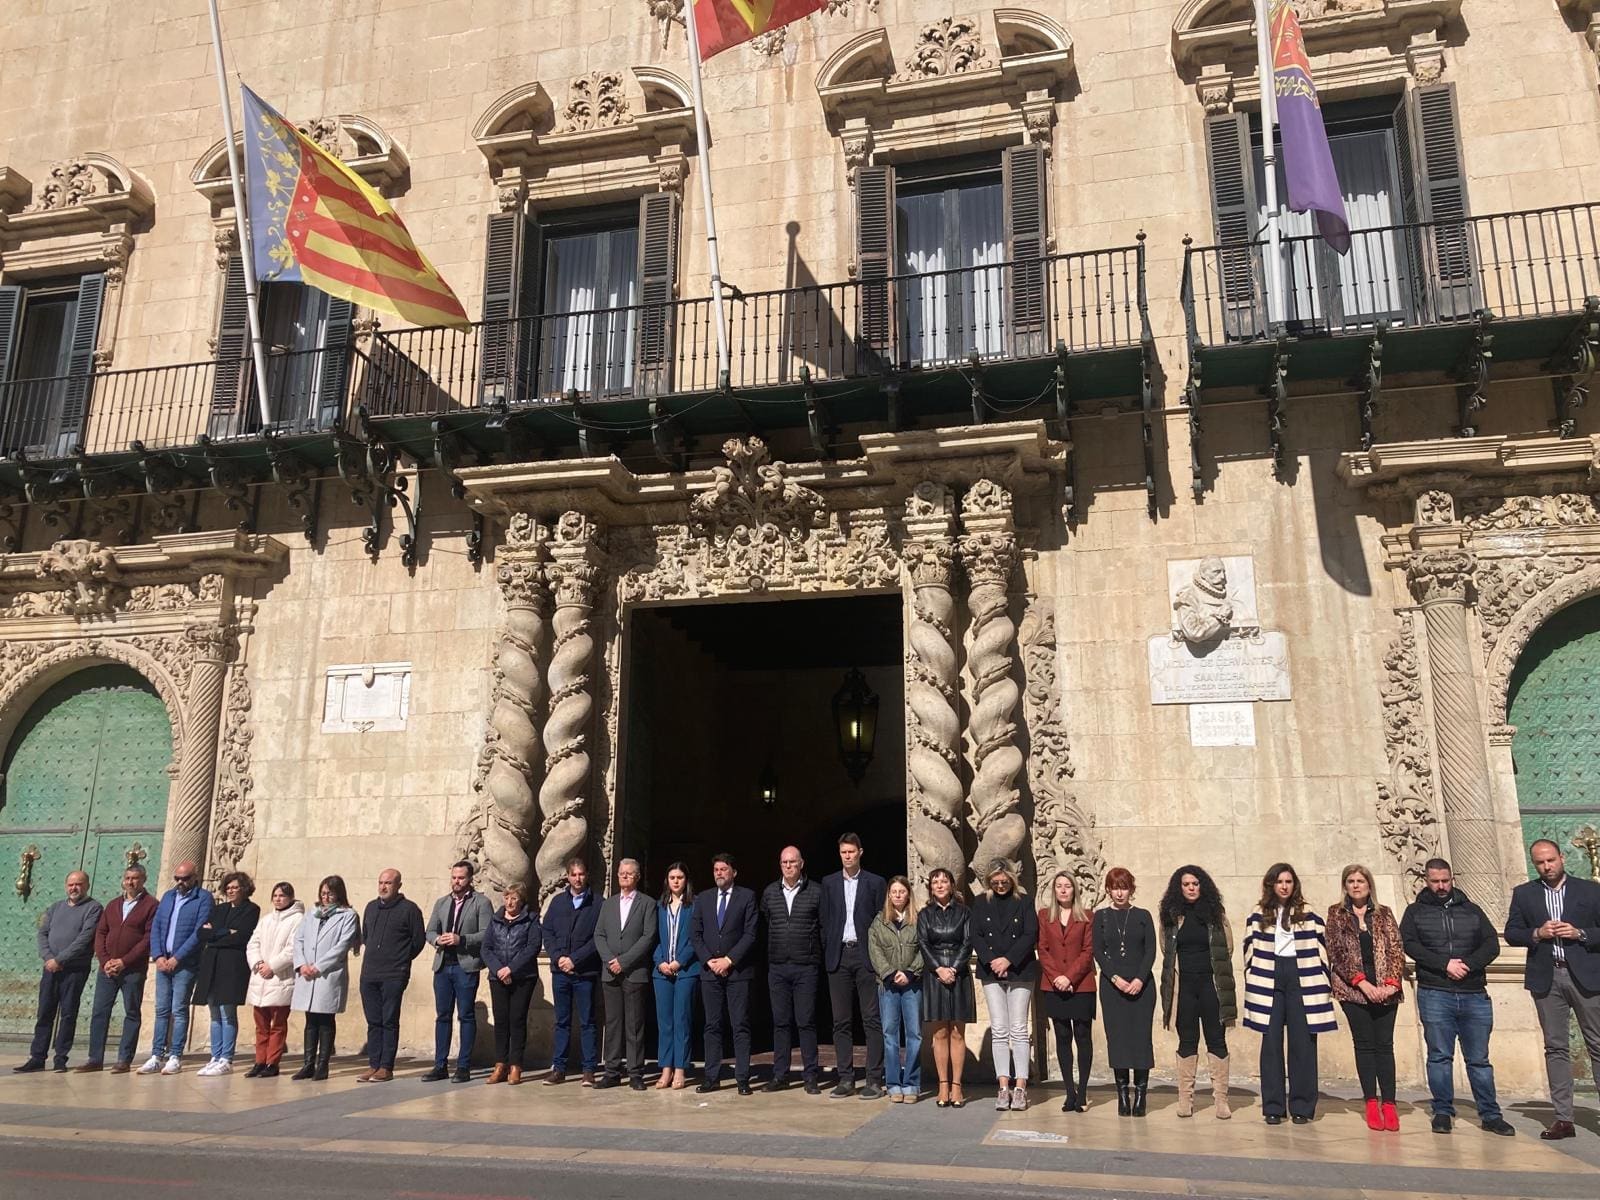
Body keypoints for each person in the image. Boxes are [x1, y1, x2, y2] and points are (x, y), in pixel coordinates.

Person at [1400, 857, 1513, 1136]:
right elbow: (1410, 944)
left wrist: (1468, 965)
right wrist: (1444, 964)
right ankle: (1442, 1111)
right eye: (1435, 881)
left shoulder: (1472, 910)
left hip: (1473, 992)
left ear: (1452, 879)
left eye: (1445, 881)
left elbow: (1491, 944)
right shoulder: (1415, 912)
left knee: (1479, 1059)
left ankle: (1490, 1114)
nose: (1441, 886)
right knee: (1440, 1056)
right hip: (1435, 991)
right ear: (1426, 881)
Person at [1505, 839, 1600, 1141]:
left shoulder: (1590, 890)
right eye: (1540, 863)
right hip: (1548, 977)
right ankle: (1563, 1119)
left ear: (1562, 858)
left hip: (1586, 977)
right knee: (1555, 1047)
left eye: (1551, 860)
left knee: (1597, 1044)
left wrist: (1580, 933)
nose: (1546, 867)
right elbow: (1512, 932)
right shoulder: (1524, 894)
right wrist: (1537, 933)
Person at [1243, 863, 1335, 1125]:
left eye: (1288, 881)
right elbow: (1249, 949)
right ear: (1271, 884)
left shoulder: (1308, 912)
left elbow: (1322, 949)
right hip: (1268, 977)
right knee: (1271, 1043)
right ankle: (1273, 1106)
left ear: (1295, 884)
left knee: (1303, 1042)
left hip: (1302, 976)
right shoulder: (1258, 913)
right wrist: (1252, 978)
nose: (1284, 886)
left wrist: (1323, 981)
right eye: (1279, 881)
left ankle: (1302, 1106)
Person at [1325, 864, 1404, 1132]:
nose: (1356, 885)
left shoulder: (1384, 913)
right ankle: (1371, 1101)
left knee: (1385, 1045)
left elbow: (1396, 948)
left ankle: (1389, 1103)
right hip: (1353, 991)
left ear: (1369, 885)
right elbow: (1336, 953)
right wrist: (1363, 983)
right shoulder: (1336, 914)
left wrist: (1391, 984)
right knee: (1364, 1045)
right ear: (1345, 886)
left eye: (1360, 880)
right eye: (1351, 881)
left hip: (1385, 990)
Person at [1158, 865, 1236, 1120]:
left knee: (1216, 1039)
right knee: (1187, 1041)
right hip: (1184, 988)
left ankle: (1221, 1100)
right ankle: (1185, 1099)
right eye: (1186, 884)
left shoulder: (1215, 914)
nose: (1191, 888)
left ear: (1203, 885)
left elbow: (1228, 947)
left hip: (1211, 986)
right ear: (1178, 888)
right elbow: (1166, 949)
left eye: (1195, 883)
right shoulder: (1171, 915)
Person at [820, 832, 888, 1099]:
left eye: (851, 852)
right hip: (839, 956)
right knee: (841, 1021)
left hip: (865, 956)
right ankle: (846, 1078)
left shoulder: (875, 882)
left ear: (860, 852)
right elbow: (824, 920)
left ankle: (873, 1079)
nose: (847, 856)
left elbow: (881, 920)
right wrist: (829, 946)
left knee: (871, 1019)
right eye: (843, 852)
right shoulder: (829, 883)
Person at [15, 870, 101, 1073]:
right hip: (50, 968)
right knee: (44, 1013)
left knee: (68, 1014)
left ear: (87, 886)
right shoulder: (55, 908)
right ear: (65, 886)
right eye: (71, 884)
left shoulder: (94, 908)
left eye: (78, 884)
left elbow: (84, 938)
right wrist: (48, 958)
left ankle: (61, 1058)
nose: (74, 888)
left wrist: (60, 960)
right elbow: (42, 933)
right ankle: (37, 1057)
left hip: (75, 969)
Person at [690, 851, 758, 1094]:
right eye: (716, 870)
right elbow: (695, 934)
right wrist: (709, 960)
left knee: (740, 1025)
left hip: (738, 972)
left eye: (723, 869)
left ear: (734, 872)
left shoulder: (747, 897)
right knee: (712, 1025)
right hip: (710, 972)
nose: (719, 873)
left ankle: (742, 1078)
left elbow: (750, 934)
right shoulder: (703, 898)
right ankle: (711, 1077)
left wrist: (729, 960)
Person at [973, 860, 1038, 1112]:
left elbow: (1030, 934)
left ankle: (1020, 1086)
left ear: (1012, 879)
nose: (1000, 886)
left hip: (1020, 969)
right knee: (999, 1029)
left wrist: (1009, 959)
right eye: (995, 882)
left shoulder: (1024, 901)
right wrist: (992, 960)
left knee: (1019, 1029)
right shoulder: (981, 902)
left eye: (1004, 881)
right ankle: (1003, 1085)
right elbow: (976, 934)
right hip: (991, 970)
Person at [138, 860, 212, 1075]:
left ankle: (175, 1055)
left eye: (185, 878)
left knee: (179, 1009)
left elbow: (199, 932)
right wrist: (158, 955)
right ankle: (156, 1055)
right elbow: (157, 927)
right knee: (161, 1009)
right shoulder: (168, 897)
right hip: (163, 961)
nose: (180, 882)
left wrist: (178, 958)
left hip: (185, 963)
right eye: (177, 878)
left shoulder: (203, 898)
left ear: (194, 877)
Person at [759, 845, 823, 1093]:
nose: (788, 866)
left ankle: (810, 1076)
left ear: (801, 864)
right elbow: (766, 922)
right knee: (781, 1022)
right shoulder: (770, 893)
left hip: (805, 966)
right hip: (778, 967)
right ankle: (780, 1075)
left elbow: (823, 926)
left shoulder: (815, 892)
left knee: (806, 1021)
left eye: (792, 862)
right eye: (784, 862)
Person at [1093, 867, 1156, 1117]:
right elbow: (1098, 951)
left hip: (1142, 987)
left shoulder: (1143, 915)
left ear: (1131, 889)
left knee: (1141, 1038)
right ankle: (1122, 1094)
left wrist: (1139, 979)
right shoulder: (1101, 916)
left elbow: (1150, 950)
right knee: (1117, 1038)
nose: (1120, 893)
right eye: (1115, 888)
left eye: (1124, 888)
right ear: (1108, 890)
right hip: (1113, 987)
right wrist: (1115, 979)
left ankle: (1140, 1094)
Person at [82, 863, 156, 1074]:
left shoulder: (151, 905)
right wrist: (105, 960)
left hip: (132, 969)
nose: (130, 882)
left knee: (131, 1012)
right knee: (100, 1012)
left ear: (143, 880)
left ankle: (124, 1059)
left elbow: (148, 938)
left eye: (135, 878)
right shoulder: (113, 904)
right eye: (127, 878)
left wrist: (124, 961)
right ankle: (95, 1058)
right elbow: (101, 933)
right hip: (107, 969)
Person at [423, 860, 493, 1083]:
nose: (456, 881)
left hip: (466, 966)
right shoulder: (442, 902)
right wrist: (437, 939)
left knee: (466, 1015)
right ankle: (440, 1065)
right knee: (443, 1015)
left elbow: (486, 933)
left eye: (461, 878)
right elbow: (429, 931)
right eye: (454, 877)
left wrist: (460, 939)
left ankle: (463, 1066)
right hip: (443, 965)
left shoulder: (481, 902)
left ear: (470, 879)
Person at [595, 858, 658, 1090]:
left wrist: (623, 961)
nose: (624, 876)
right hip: (610, 973)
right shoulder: (608, 904)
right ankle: (611, 1071)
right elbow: (599, 934)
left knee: (634, 1025)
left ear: (637, 877)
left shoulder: (647, 903)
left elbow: (648, 936)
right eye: (621, 872)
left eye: (629, 873)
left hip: (634, 972)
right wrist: (609, 960)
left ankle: (635, 1072)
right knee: (612, 1024)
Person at [357, 868, 425, 1083]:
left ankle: (386, 1066)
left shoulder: (409, 909)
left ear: (398, 886)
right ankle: (373, 1064)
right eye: (381, 882)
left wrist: (401, 959)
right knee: (373, 1021)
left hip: (394, 974)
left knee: (389, 1020)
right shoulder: (370, 907)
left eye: (388, 883)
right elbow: (366, 936)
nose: (383, 887)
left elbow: (418, 941)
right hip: (370, 973)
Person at [291, 875, 361, 1081]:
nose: (326, 897)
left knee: (325, 1019)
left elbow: (343, 945)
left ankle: (323, 1064)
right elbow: (299, 939)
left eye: (330, 893)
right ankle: (308, 1063)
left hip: (328, 974)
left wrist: (318, 966)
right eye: (323, 893)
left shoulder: (348, 915)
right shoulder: (312, 914)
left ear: (339, 894)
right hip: (307, 973)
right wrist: (302, 964)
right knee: (310, 1020)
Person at [1038, 870, 1096, 1114]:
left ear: (1075, 890)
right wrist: (1057, 978)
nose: (1063, 890)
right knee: (1062, 1037)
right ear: (1054, 890)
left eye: (1067, 886)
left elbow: (1088, 950)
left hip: (1081, 985)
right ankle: (1069, 1092)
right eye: (1059, 886)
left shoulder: (1087, 916)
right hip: (1054, 985)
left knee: (1082, 1036)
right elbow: (1043, 949)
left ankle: (1082, 1092)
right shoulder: (1044, 916)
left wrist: (1069, 977)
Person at [193, 871, 261, 1076]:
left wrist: (215, 933)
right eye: (228, 888)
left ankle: (226, 1058)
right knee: (214, 1013)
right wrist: (224, 932)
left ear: (244, 889)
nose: (231, 891)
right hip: (212, 964)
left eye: (235, 887)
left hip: (232, 966)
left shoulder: (251, 910)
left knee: (227, 1012)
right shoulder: (219, 909)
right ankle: (215, 1056)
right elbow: (202, 933)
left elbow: (242, 936)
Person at [542, 857, 601, 1086]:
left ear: (587, 875)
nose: (577, 878)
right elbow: (547, 931)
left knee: (588, 1022)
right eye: (573, 874)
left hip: (585, 973)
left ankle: (589, 1070)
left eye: (581, 874)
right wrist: (558, 957)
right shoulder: (557, 902)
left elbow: (598, 938)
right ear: (567, 876)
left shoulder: (598, 903)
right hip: (560, 972)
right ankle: (559, 1068)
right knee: (562, 1021)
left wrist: (575, 960)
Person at [918, 867, 973, 1109]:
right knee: (939, 1032)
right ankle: (943, 1084)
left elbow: (968, 942)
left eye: (944, 881)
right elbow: (923, 943)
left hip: (958, 973)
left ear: (951, 885)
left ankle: (957, 1085)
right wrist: (939, 969)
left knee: (957, 1032)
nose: (940, 885)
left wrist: (954, 968)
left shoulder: (964, 912)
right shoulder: (925, 914)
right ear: (931, 888)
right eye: (935, 882)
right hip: (935, 974)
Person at [868, 875, 923, 1103]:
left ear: (908, 894)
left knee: (914, 1034)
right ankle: (893, 1083)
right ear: (889, 896)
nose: (898, 895)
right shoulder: (879, 921)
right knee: (890, 1034)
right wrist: (890, 973)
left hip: (912, 984)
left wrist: (910, 972)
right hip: (888, 985)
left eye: (902, 891)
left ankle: (911, 1083)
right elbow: (874, 949)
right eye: (894, 892)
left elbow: (924, 948)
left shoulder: (918, 920)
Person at [482, 882, 542, 1085]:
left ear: (521, 900)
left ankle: (515, 1065)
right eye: (507, 898)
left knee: (516, 1020)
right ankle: (500, 1064)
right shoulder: (495, 919)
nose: (509, 902)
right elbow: (486, 948)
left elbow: (532, 947)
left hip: (522, 977)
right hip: (497, 976)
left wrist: (511, 969)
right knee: (501, 1021)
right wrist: (499, 969)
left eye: (514, 898)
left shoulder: (531, 919)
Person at [244, 881, 304, 1078]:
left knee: (277, 1024)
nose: (278, 899)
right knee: (261, 1025)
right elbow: (253, 943)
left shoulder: (297, 919)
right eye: (275, 895)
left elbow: (292, 949)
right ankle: (259, 1061)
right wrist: (258, 963)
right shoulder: (266, 919)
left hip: (280, 978)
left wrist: (273, 966)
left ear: (290, 898)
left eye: (282, 896)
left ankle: (272, 1062)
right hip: (260, 978)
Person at [652, 862, 698, 1090]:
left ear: (686, 880)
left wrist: (679, 961)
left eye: (680, 877)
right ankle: (666, 1068)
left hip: (686, 970)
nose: (676, 881)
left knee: (682, 1020)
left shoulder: (694, 905)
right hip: (662, 972)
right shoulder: (659, 906)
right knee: (665, 1023)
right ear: (667, 880)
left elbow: (696, 938)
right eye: (672, 877)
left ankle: (680, 1068)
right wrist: (660, 961)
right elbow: (652, 937)